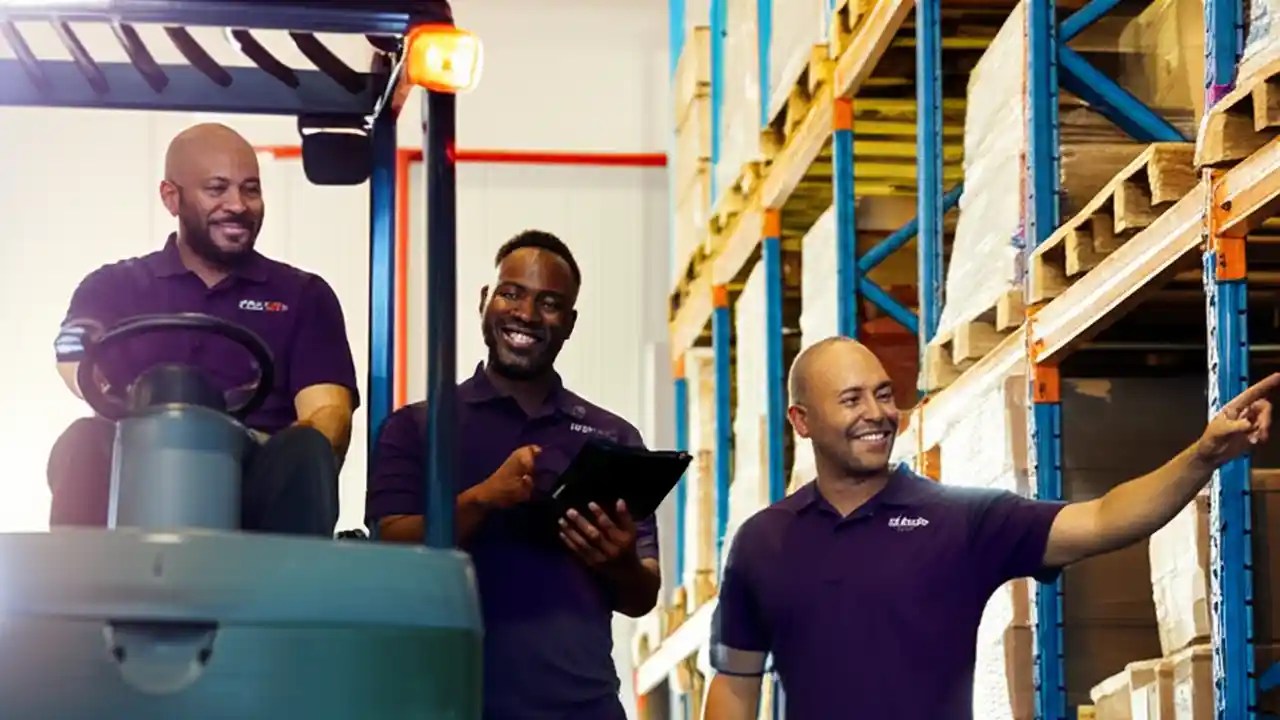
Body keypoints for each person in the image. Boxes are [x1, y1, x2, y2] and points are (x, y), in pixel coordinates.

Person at [702, 336, 1278, 720]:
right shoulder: (763, 543)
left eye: (883, 394)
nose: (875, 414)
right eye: (850, 400)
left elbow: (1107, 519)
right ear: (802, 421)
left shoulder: (960, 519)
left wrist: (1202, 456)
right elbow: (734, 683)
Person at [367, 229, 661, 720]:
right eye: (511, 293)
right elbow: (388, 555)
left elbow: (642, 596)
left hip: (581, 709)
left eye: (549, 304)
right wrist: (483, 499)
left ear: (569, 323)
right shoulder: (418, 427)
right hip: (447, 704)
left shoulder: (612, 440)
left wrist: (619, 561)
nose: (526, 314)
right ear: (486, 300)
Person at [49, 123, 360, 537]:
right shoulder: (113, 287)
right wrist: (141, 421)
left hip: (251, 478)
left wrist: (234, 448)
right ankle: (83, 590)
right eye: (217, 189)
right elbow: (73, 352)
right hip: (137, 468)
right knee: (83, 440)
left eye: (250, 189)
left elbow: (328, 414)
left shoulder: (303, 296)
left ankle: (286, 591)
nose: (238, 205)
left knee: (307, 450)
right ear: (171, 197)